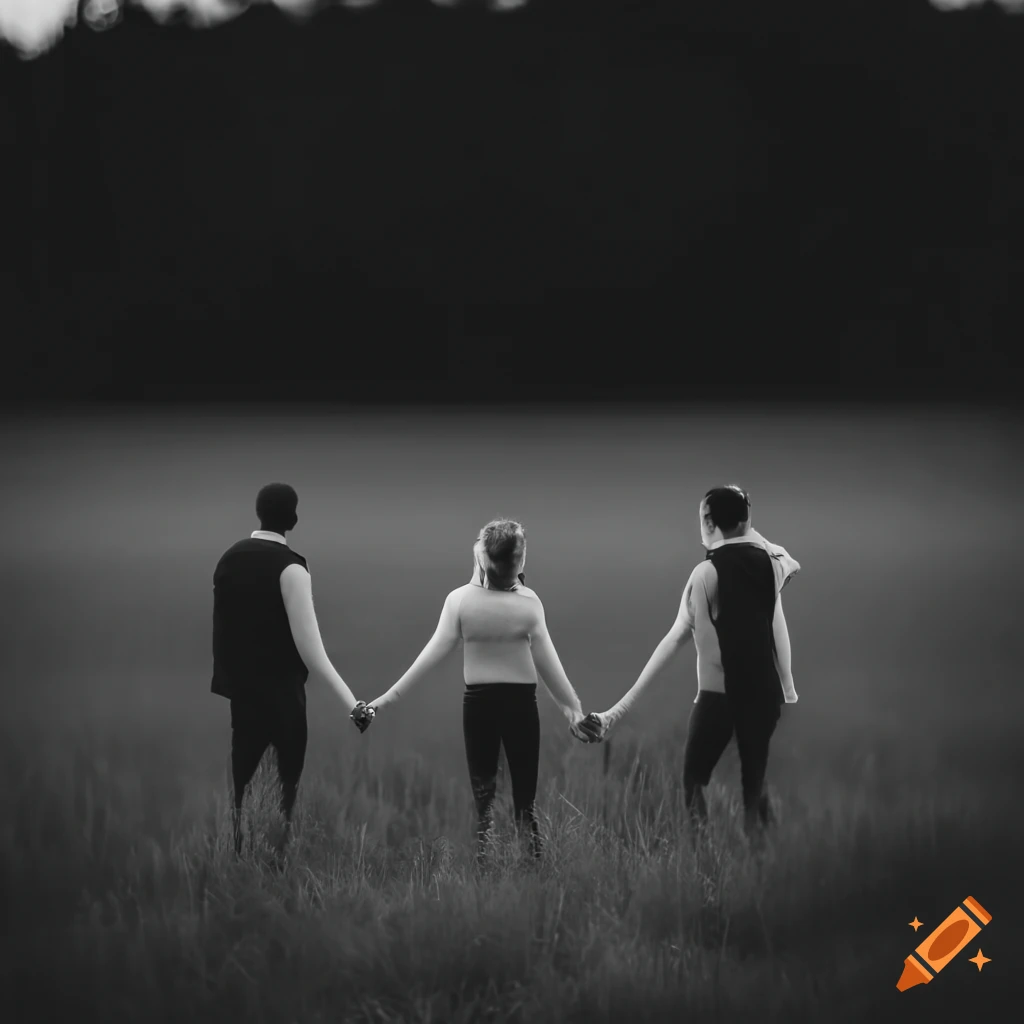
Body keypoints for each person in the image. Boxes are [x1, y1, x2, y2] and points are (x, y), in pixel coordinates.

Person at [576, 486, 800, 848]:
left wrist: (615, 713)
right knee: (754, 780)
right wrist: (745, 526)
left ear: (708, 522)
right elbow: (785, 557)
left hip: (719, 698)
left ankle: (703, 859)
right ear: (746, 522)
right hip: (764, 696)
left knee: (695, 778)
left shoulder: (704, 575)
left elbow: (676, 637)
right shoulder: (771, 564)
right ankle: (767, 861)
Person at [355, 519, 588, 860]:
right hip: (510, 705)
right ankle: (515, 868)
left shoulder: (467, 601)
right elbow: (549, 669)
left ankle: (505, 868)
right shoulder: (517, 603)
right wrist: (573, 711)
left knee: (501, 799)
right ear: (517, 561)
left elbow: (549, 667)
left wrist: (574, 712)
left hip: (491, 705)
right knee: (507, 800)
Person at [212, 483, 362, 859]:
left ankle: (238, 865)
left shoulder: (228, 559)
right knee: (283, 795)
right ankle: (274, 871)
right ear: (292, 517)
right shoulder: (292, 567)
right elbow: (313, 653)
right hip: (283, 698)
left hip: (243, 697)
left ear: (258, 511)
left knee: (243, 791)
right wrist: (355, 704)